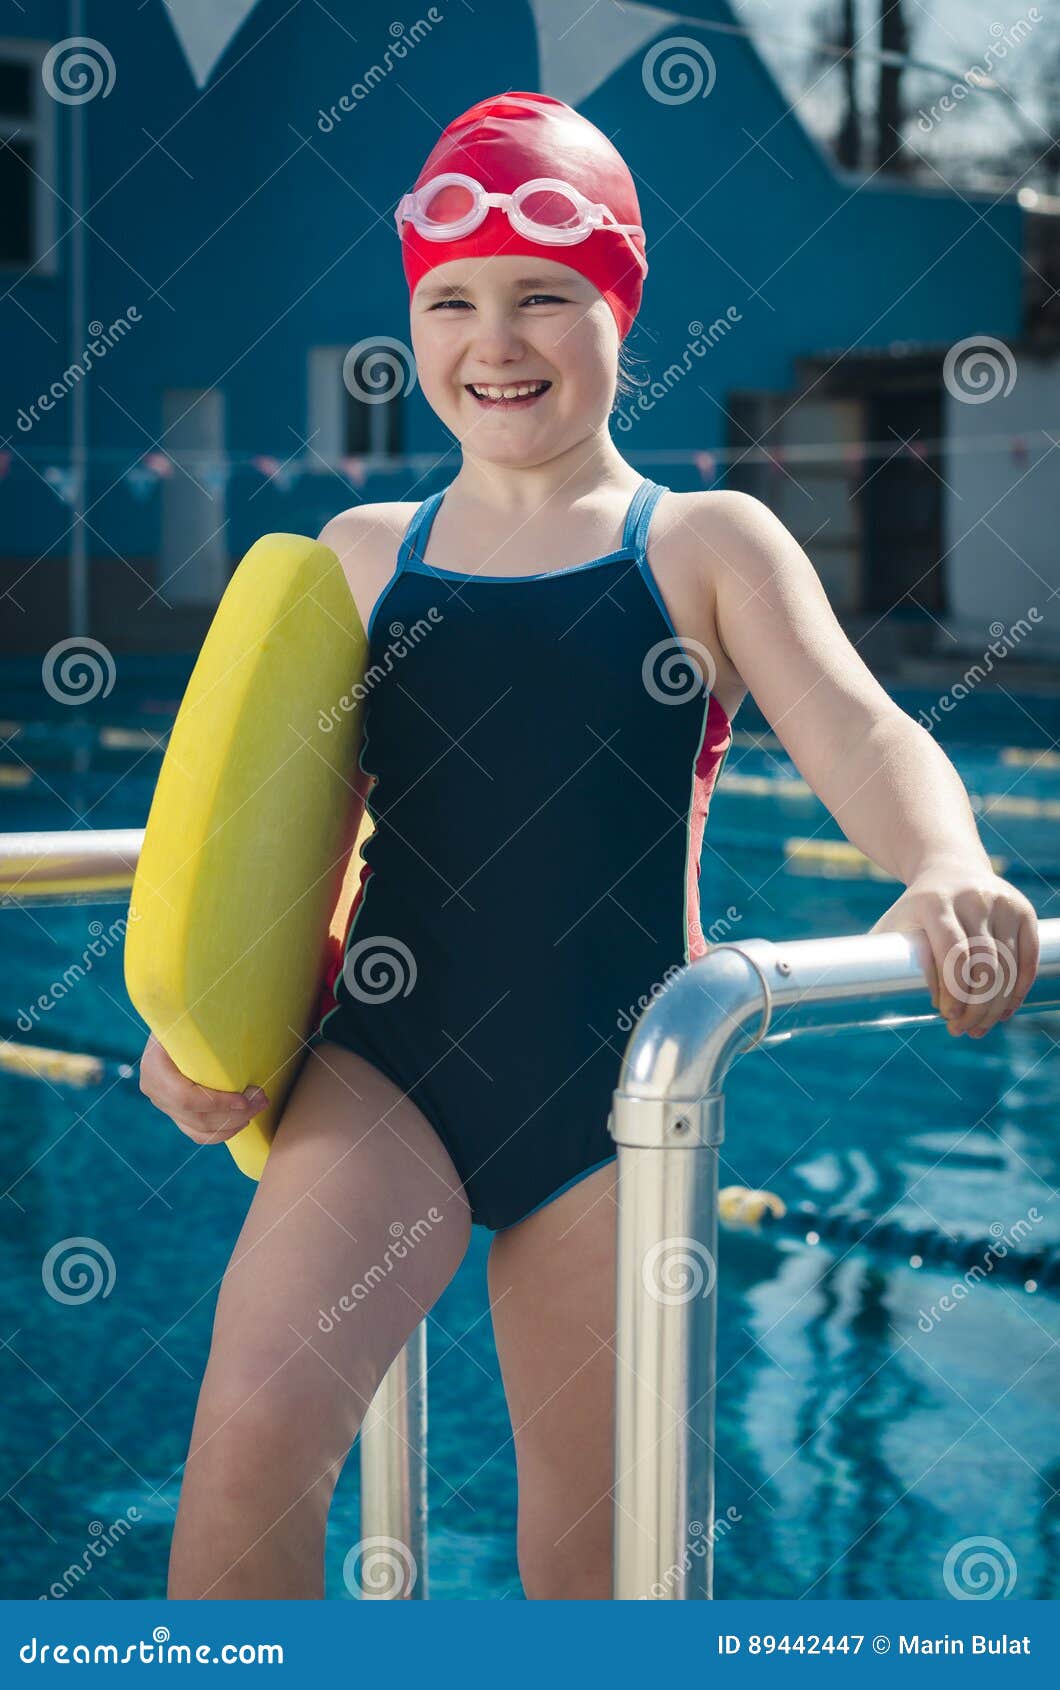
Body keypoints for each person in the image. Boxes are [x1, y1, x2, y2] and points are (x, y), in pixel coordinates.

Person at [140, 92, 1039, 1601]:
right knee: (250, 1429)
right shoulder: (363, 558)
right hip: (387, 1066)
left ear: (620, 303)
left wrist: (946, 858)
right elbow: (275, 845)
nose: (497, 339)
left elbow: (867, 732)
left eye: (544, 295)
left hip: (622, 1095)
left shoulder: (704, 545)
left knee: (601, 1539)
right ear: (413, 327)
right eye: (453, 302)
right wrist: (207, 1030)